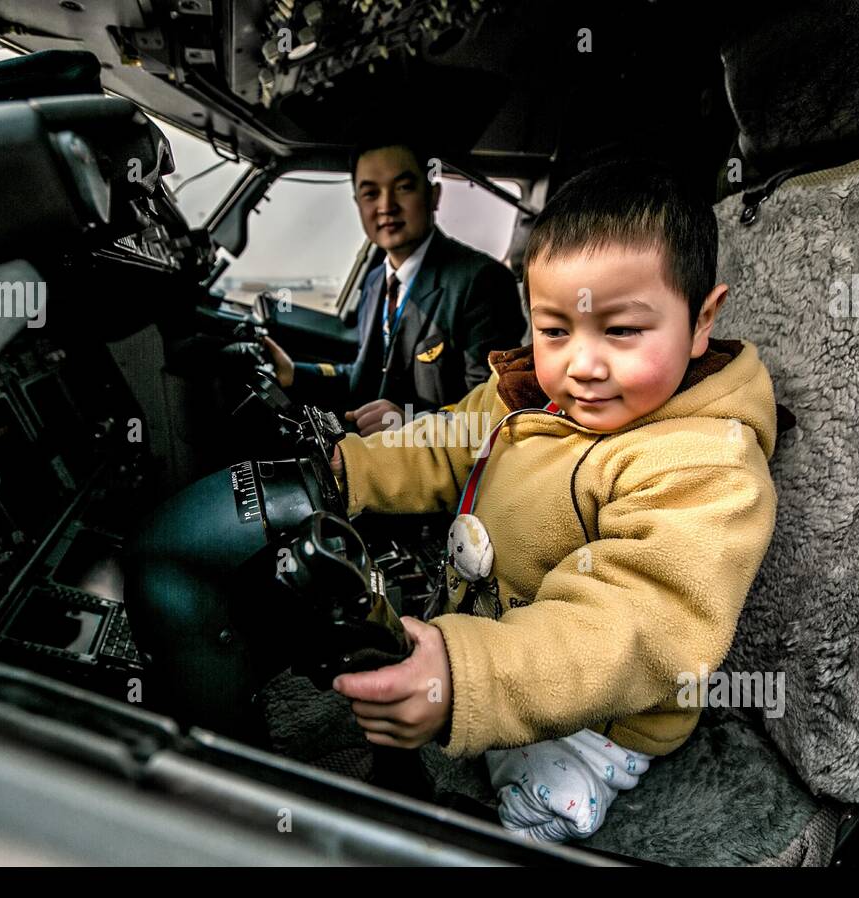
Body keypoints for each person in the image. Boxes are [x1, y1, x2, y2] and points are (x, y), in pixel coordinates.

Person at [320, 160, 780, 842]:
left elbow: (634, 622)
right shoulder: (530, 396)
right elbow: (446, 443)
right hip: (482, 640)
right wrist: (346, 470)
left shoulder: (707, 464)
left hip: (602, 714)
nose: (582, 366)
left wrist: (464, 670)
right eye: (554, 330)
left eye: (622, 331)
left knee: (548, 790)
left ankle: (559, 801)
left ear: (702, 320)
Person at [262, 138, 526, 436]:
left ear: (433, 195)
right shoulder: (376, 281)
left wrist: (411, 422)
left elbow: (494, 411)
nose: (386, 206)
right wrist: (293, 373)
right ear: (359, 204)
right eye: (371, 193)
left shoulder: (483, 281)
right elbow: (364, 375)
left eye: (403, 187)